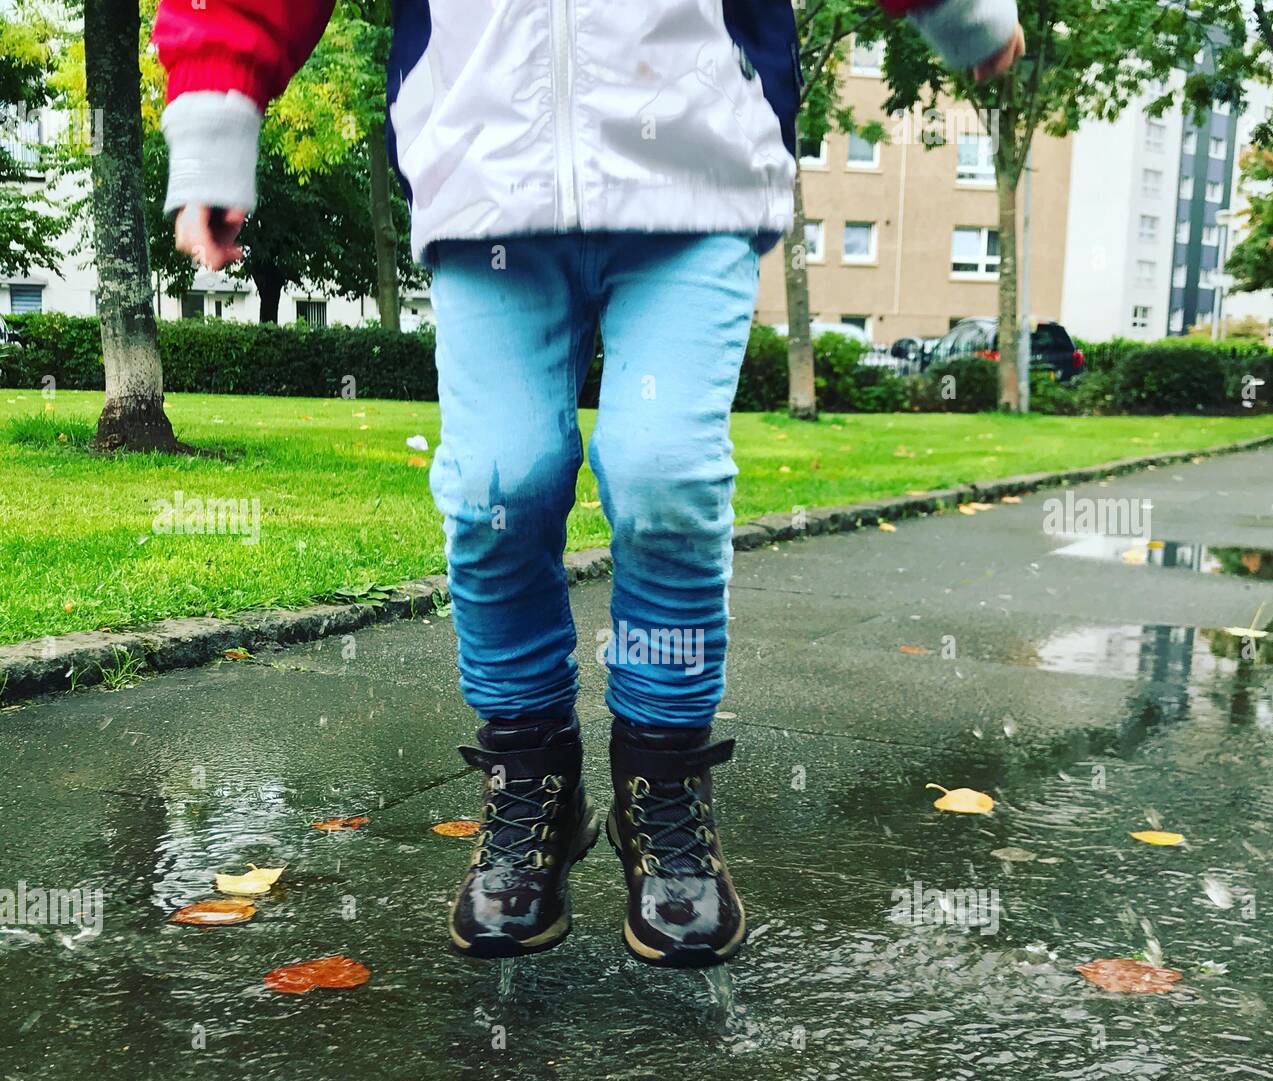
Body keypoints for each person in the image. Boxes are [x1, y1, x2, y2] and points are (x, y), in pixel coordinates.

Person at [154, 0, 1023, 969]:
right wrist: (216, 124)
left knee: (665, 476)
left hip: (694, 169)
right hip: (485, 174)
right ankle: (533, 785)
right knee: (497, 483)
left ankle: (663, 788)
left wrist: (962, 19)